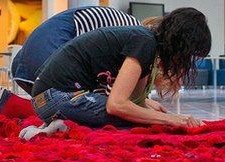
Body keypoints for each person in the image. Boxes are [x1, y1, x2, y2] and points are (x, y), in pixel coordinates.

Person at [30, 8, 210, 129]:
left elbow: (134, 102)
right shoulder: (144, 42)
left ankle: (58, 127)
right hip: (55, 97)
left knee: (145, 119)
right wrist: (172, 119)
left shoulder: (148, 45)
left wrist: (157, 113)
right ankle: (55, 129)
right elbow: (116, 105)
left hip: (50, 99)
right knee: (136, 122)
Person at [11, 6, 140, 96]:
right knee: (97, 107)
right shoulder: (137, 36)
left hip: (21, 67)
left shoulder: (125, 26)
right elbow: (112, 96)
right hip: (47, 58)